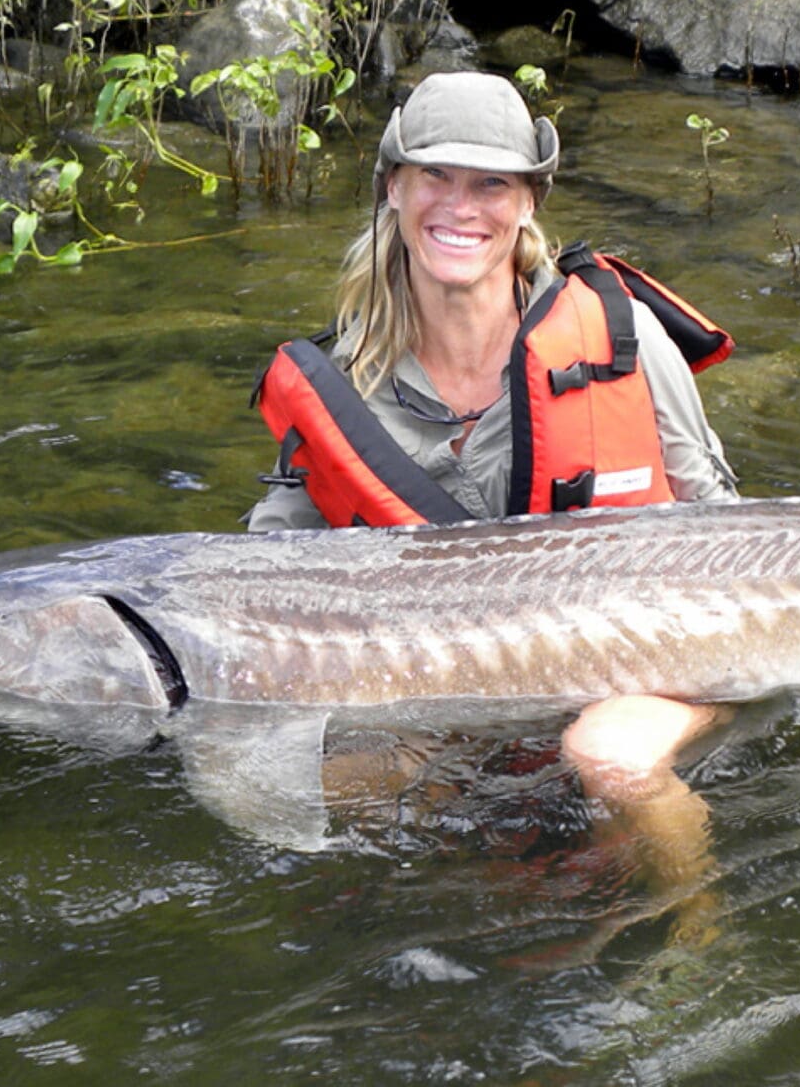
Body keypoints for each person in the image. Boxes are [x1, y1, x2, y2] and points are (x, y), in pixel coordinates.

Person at [248, 71, 735, 942]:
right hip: (464, 692)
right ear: (393, 187)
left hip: (658, 670)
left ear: (528, 200)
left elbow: (733, 536)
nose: (460, 207)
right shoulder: (339, 388)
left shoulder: (622, 337)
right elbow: (263, 588)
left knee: (609, 758)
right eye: (434, 176)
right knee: (324, 787)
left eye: (491, 183)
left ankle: (698, 940)